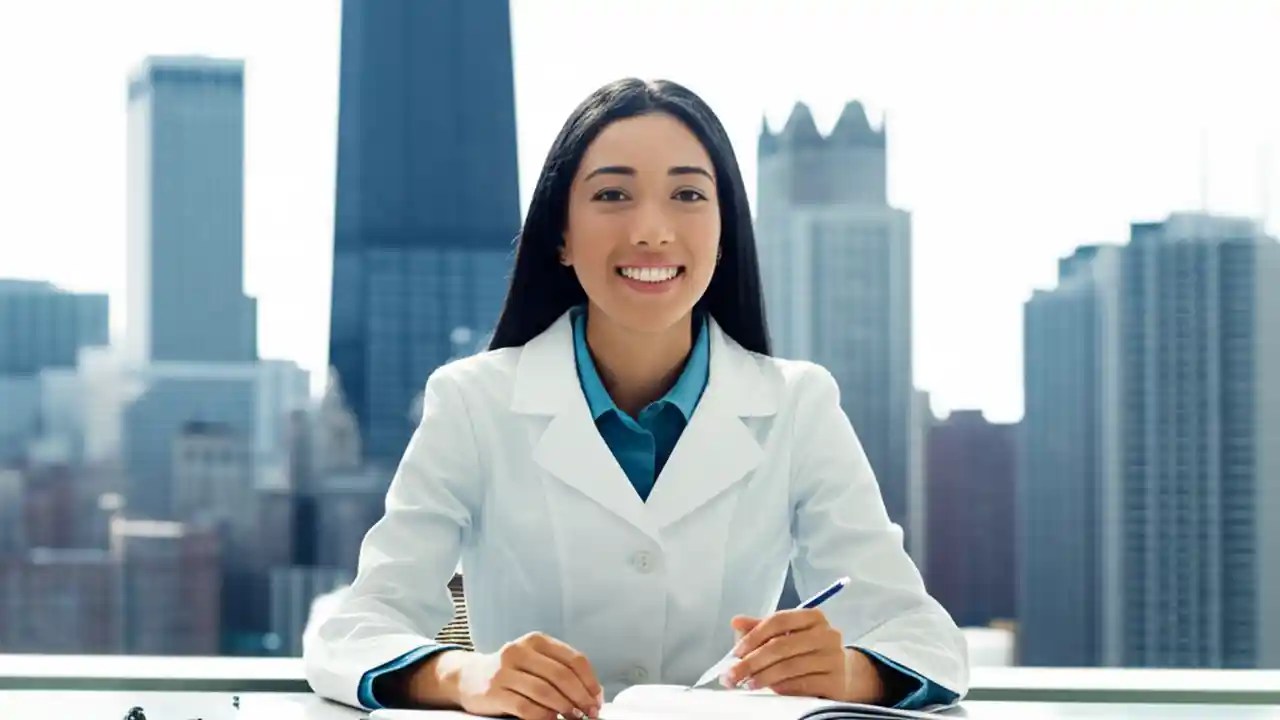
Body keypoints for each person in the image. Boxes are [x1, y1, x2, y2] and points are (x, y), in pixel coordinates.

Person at [304, 78, 968, 720]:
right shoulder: (474, 401)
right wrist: (467, 674)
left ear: (724, 230)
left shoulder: (799, 405)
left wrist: (852, 670)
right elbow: (356, 627)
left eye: (686, 194)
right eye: (614, 195)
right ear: (561, 235)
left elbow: (925, 637)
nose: (651, 230)